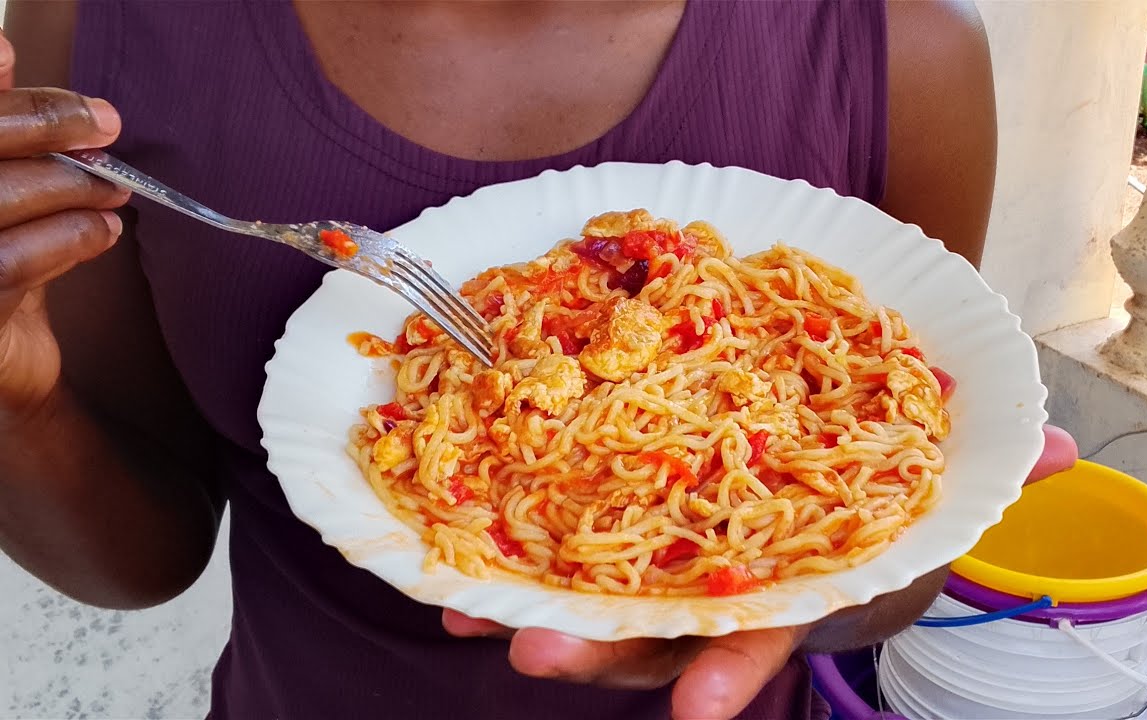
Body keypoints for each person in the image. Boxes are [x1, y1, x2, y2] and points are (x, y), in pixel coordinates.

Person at [0, 2, 1077, 718]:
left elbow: (894, 557)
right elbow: (137, 561)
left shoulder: (899, 40)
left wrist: (798, 582)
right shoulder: (104, 26)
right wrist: (15, 396)